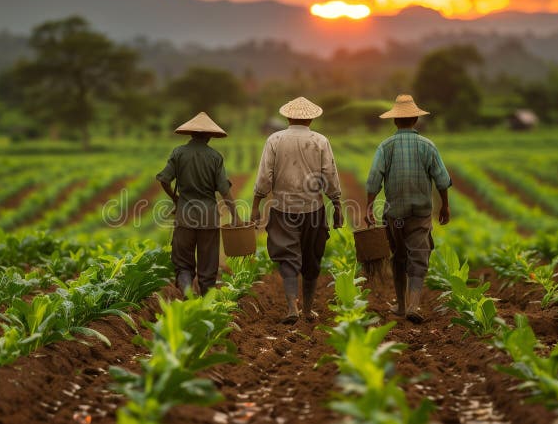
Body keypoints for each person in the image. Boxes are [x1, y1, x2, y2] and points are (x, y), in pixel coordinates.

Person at [251, 97, 343, 324]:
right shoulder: (320, 140)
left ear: (287, 117)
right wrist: (337, 204)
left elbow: (265, 176)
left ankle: (292, 306)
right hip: (314, 209)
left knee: (288, 258)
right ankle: (308, 310)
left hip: (283, 209)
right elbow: (329, 174)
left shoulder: (275, 139)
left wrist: (256, 204)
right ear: (311, 118)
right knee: (312, 259)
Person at [364, 95, 452, 324]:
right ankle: (414, 304)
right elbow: (442, 179)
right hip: (420, 214)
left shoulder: (386, 147)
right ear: (415, 119)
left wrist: (368, 206)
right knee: (419, 257)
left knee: (399, 257)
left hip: (395, 216)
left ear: (395, 121)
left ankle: (402, 306)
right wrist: (445, 205)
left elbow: (374, 179)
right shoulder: (428, 146)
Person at [157, 112, 240, 296]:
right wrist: (236, 216)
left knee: (183, 265)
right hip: (209, 219)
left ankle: (187, 296)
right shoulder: (215, 157)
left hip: (184, 217)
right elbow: (224, 189)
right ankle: (205, 307)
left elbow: (164, 180)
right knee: (208, 267)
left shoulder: (178, 153)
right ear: (210, 136)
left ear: (191, 133)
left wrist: (175, 198)